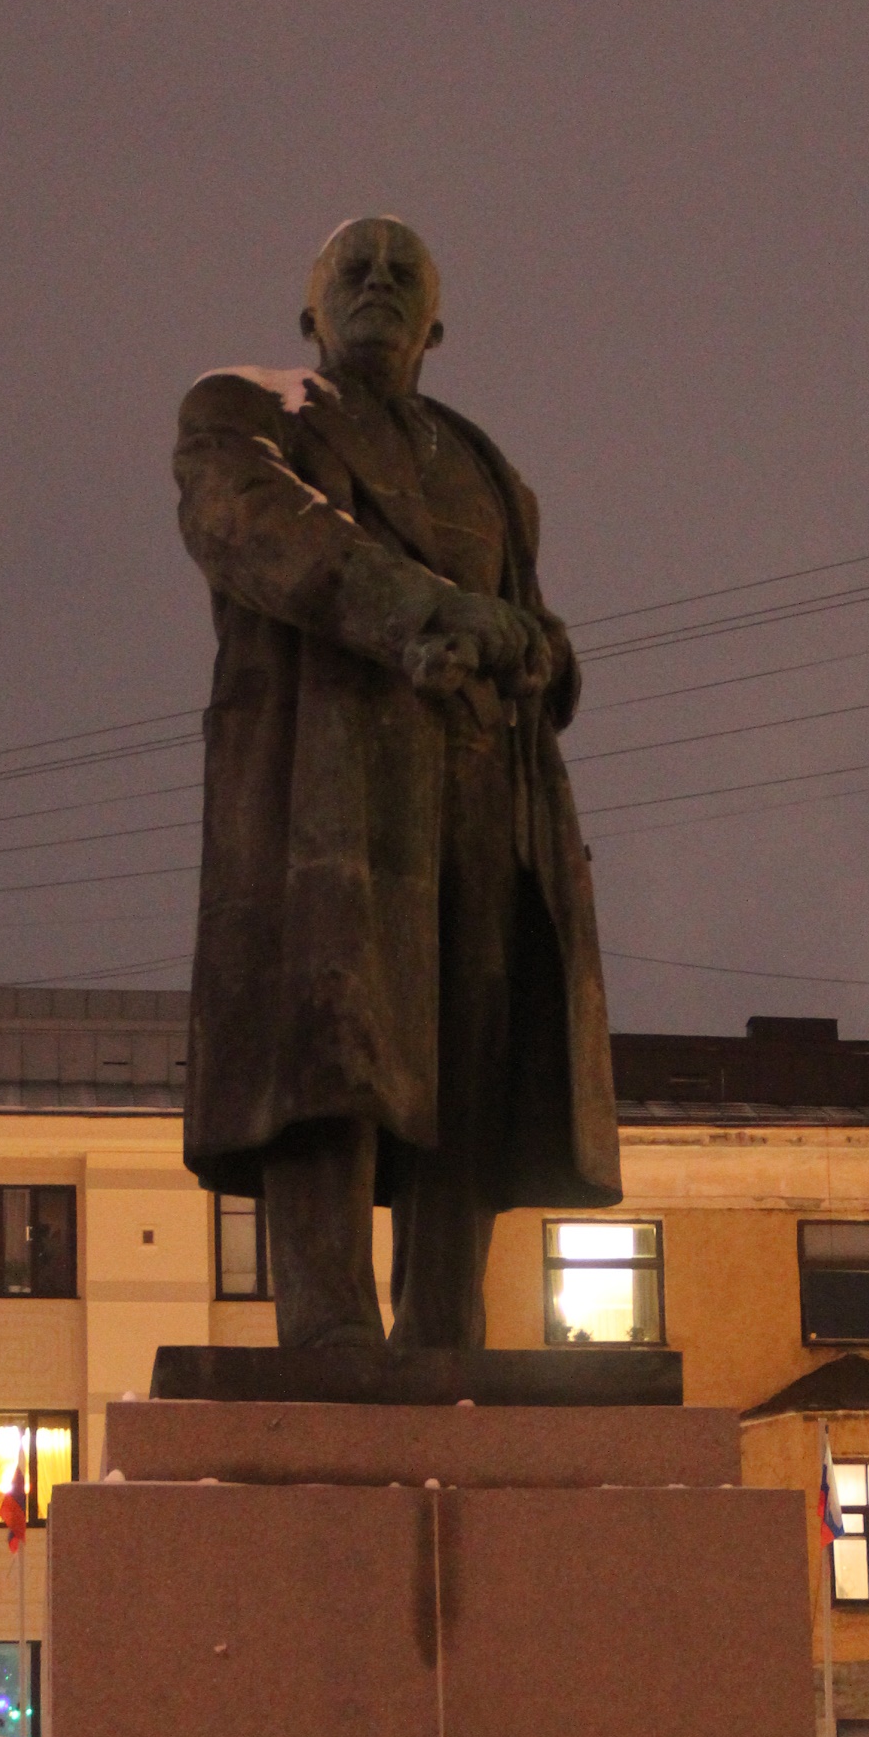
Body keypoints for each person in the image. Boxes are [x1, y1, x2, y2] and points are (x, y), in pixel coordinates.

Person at [173, 216, 620, 1351]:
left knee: (470, 1060)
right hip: (329, 794)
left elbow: (530, 613)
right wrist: (430, 612)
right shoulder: (243, 414)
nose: (376, 285)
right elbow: (272, 536)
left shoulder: (487, 469)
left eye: (401, 274)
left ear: (437, 323)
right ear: (308, 313)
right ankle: (327, 1340)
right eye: (352, 271)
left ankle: (444, 1342)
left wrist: (545, 650)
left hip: (482, 795)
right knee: (332, 1051)